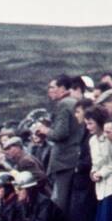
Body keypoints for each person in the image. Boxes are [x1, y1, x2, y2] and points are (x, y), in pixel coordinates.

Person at [46, 75, 85, 213]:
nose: (49, 91)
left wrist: (45, 131)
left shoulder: (64, 104)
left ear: (62, 89)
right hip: (73, 158)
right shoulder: (74, 102)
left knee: (60, 202)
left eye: (52, 87)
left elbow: (60, 134)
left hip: (65, 160)